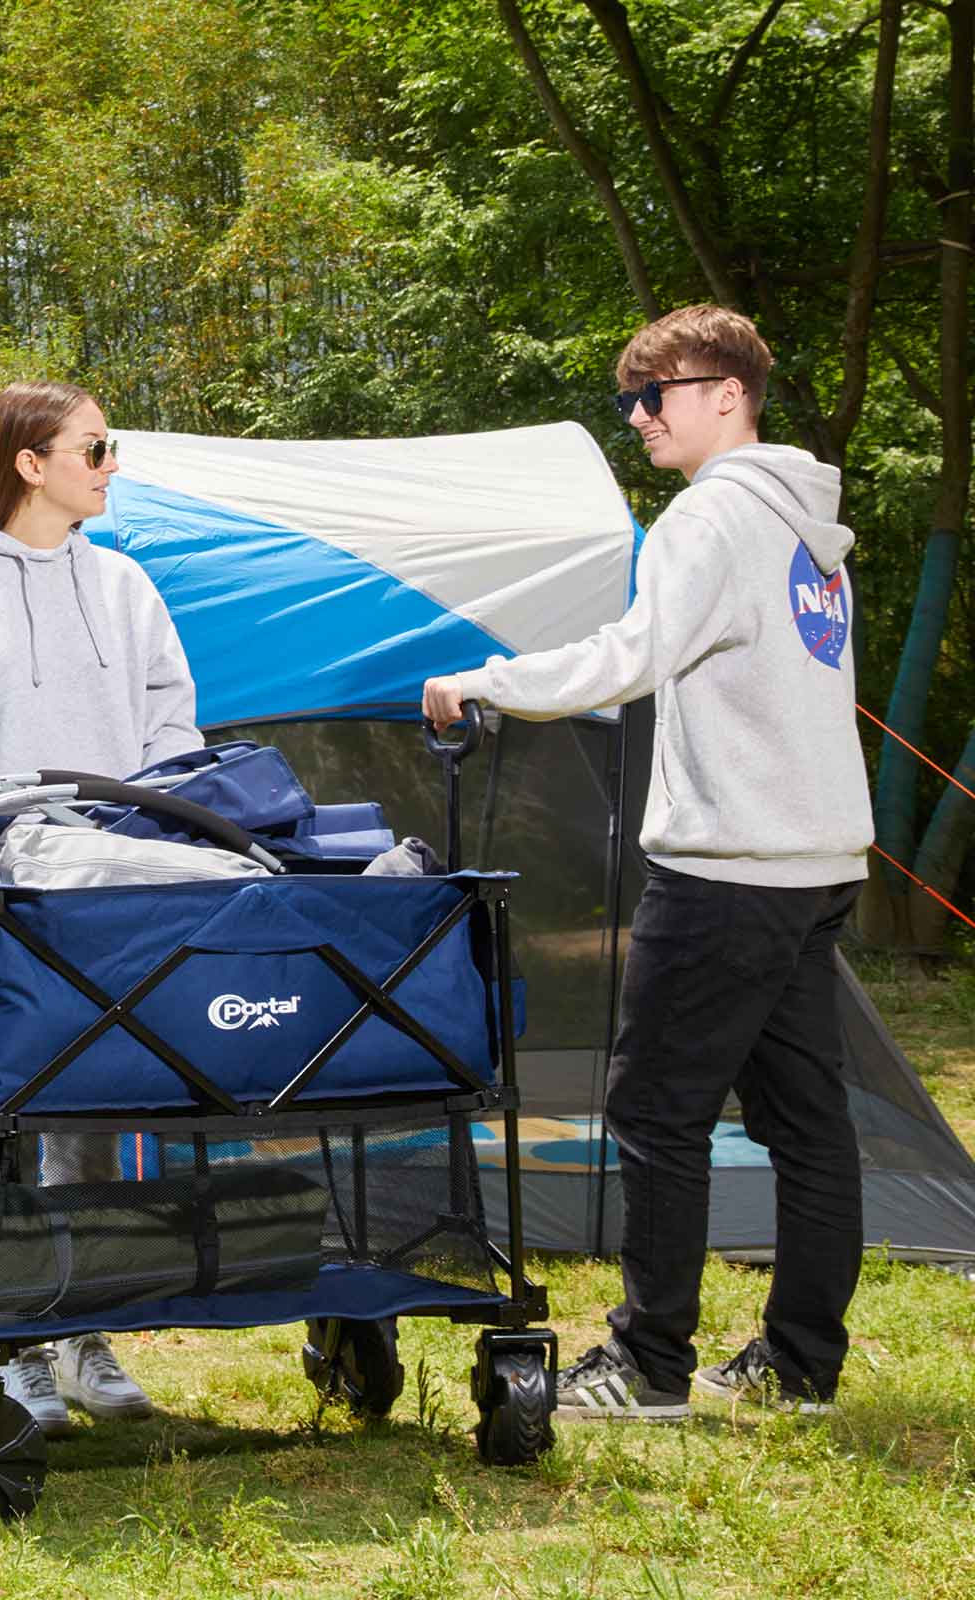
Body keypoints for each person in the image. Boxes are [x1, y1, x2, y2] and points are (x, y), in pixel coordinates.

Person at [423, 304, 872, 1421]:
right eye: (628, 397)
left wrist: (485, 680)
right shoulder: (807, 526)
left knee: (656, 1110)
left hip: (728, 861)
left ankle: (648, 1366)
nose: (636, 416)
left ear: (727, 393)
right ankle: (801, 1362)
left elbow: (631, 656)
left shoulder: (711, 518)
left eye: (654, 394)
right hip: (815, 856)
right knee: (806, 1122)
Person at [0, 379, 201, 1437]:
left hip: (105, 885)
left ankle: (82, 1330)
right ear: (30, 462)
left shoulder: (127, 586)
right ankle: (4, 1345)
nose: (111, 465)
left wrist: (168, 822)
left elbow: (171, 726)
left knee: (95, 1114)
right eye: (94, 447)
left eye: (113, 448)